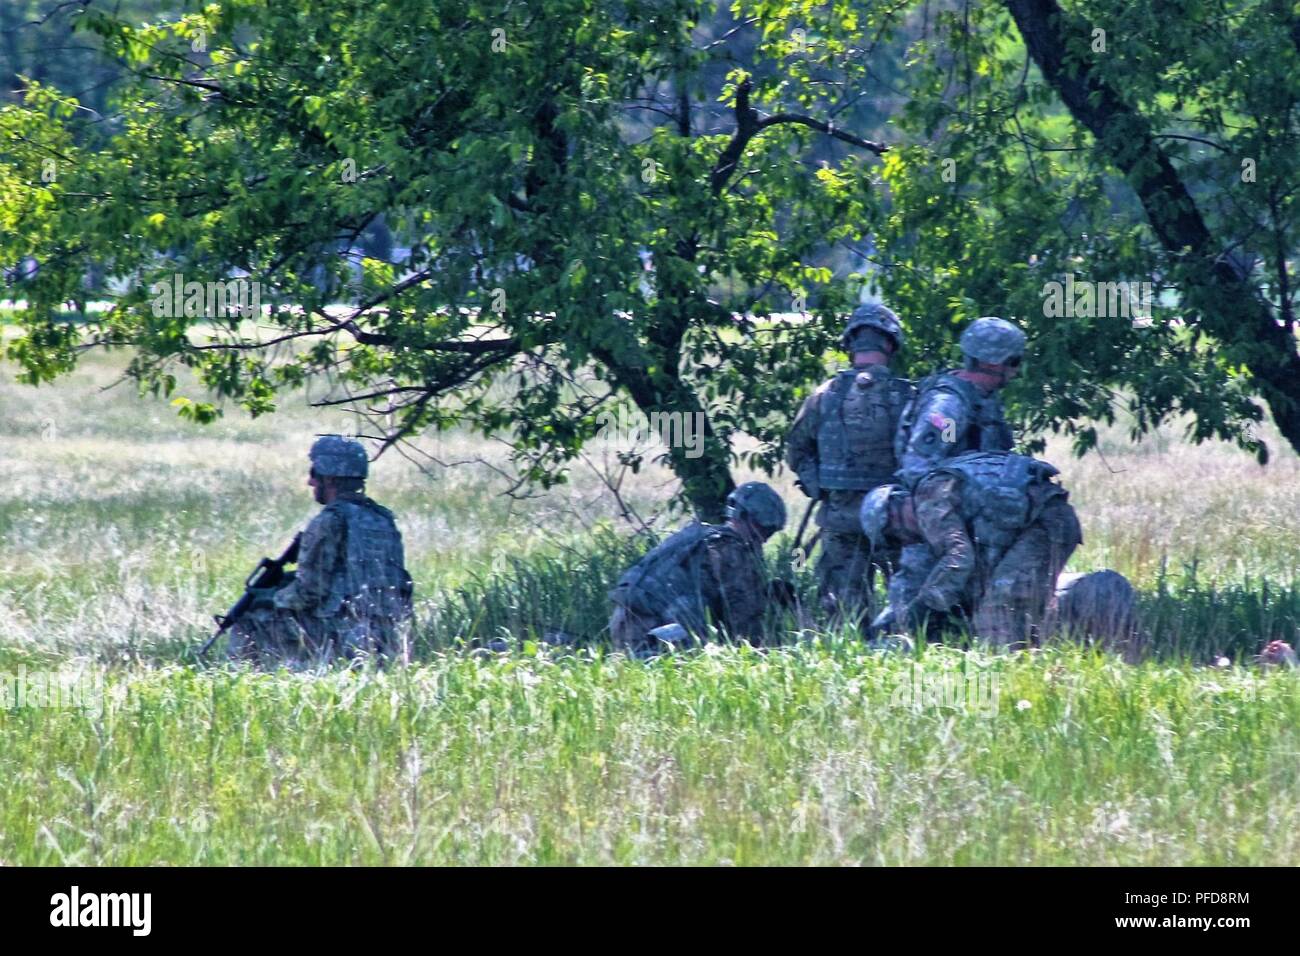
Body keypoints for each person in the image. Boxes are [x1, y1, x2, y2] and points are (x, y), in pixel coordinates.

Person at [861, 451, 1082, 647]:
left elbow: (959, 558)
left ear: (893, 515)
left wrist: (925, 607)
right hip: (1049, 521)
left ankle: (1008, 677)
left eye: (893, 537)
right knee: (1008, 605)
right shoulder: (937, 487)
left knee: (999, 610)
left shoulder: (927, 502)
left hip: (1047, 524)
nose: (905, 543)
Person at [228, 435, 413, 667]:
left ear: (330, 478)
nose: (310, 482)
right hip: (386, 634)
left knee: (249, 618)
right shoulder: (382, 519)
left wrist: (269, 596)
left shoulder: (330, 521)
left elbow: (308, 593)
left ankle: (251, 681)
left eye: (314, 474)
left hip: (342, 631)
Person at [785, 302, 915, 619]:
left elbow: (796, 450)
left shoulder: (824, 394)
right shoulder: (910, 396)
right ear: (890, 343)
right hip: (895, 517)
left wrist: (820, 487)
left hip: (840, 516)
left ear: (850, 344)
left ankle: (848, 662)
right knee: (909, 609)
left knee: (843, 615)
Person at [608, 481, 788, 657]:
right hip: (662, 631)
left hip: (624, 621)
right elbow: (743, 621)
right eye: (764, 529)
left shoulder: (696, 534)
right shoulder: (730, 548)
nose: (764, 538)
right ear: (745, 517)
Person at [894, 316, 1025, 488]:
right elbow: (918, 469)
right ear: (994, 363)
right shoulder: (950, 407)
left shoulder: (982, 398)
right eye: (1015, 362)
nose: (1017, 370)